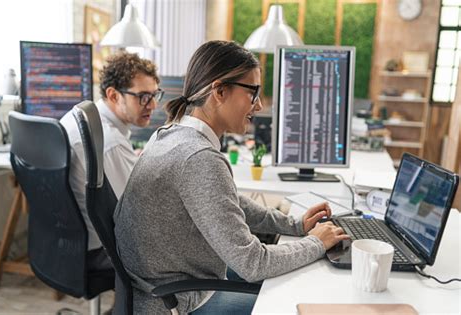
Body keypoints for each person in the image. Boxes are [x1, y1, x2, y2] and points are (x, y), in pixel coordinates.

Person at [114, 40, 349, 314]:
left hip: (169, 286)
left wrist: (294, 226)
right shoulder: (198, 157)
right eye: (253, 93)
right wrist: (317, 242)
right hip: (177, 301)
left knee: (295, 275)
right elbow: (253, 264)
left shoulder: (170, 134)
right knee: (296, 302)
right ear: (220, 91)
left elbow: (227, 202)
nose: (259, 105)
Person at [60, 51, 163, 270]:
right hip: (100, 251)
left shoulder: (79, 115)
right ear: (114, 95)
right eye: (144, 96)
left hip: (67, 244)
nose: (153, 105)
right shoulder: (110, 144)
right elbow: (141, 214)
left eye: (155, 95)